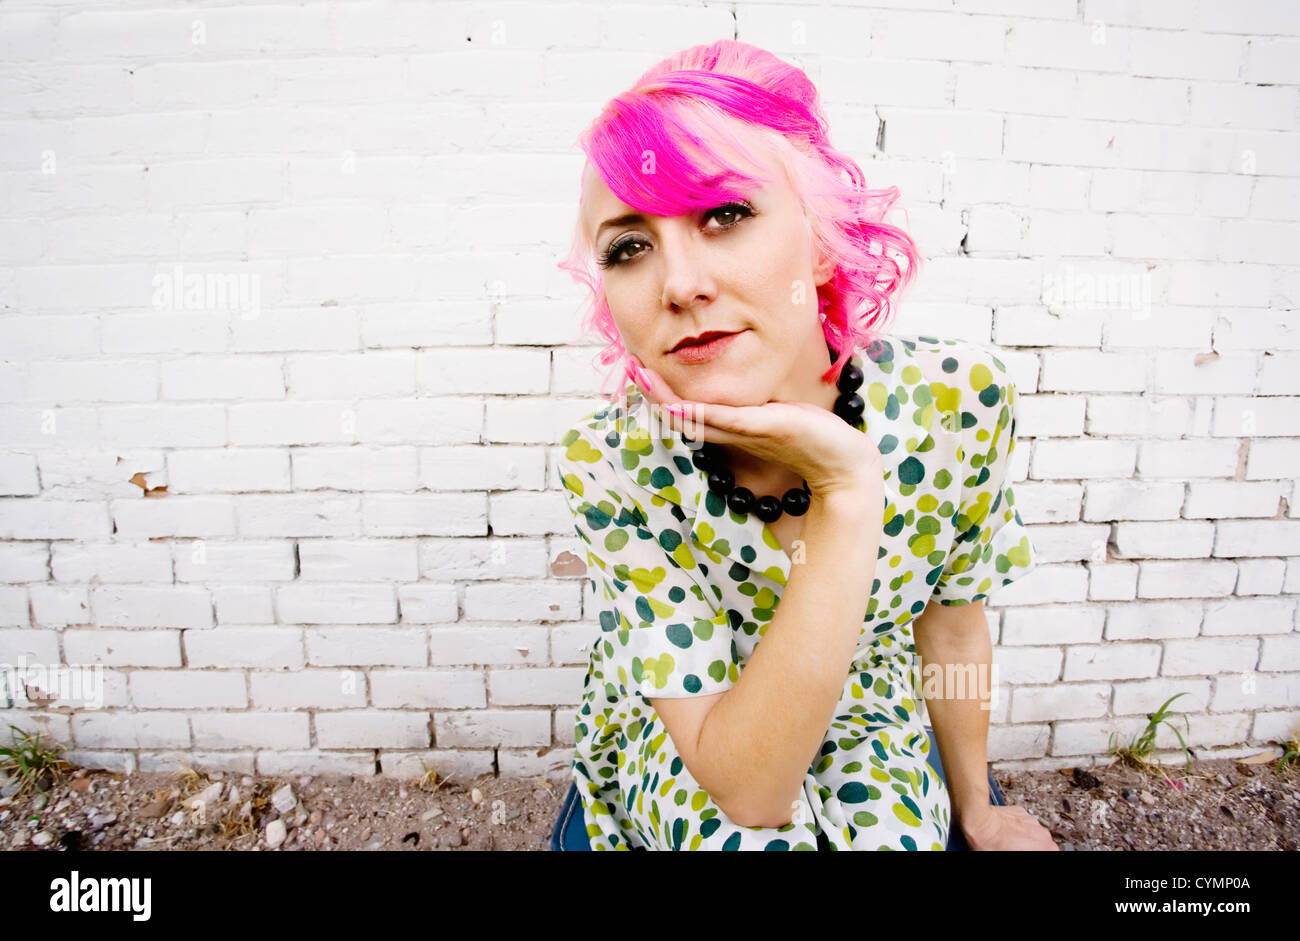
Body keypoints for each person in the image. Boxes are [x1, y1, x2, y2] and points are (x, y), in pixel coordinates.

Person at [554, 39, 1055, 851]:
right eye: (629, 246)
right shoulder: (613, 460)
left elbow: (953, 623)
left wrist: (979, 805)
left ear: (821, 241)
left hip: (868, 706)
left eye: (725, 215)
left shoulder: (958, 402)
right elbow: (747, 789)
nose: (679, 285)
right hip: (696, 724)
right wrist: (848, 493)